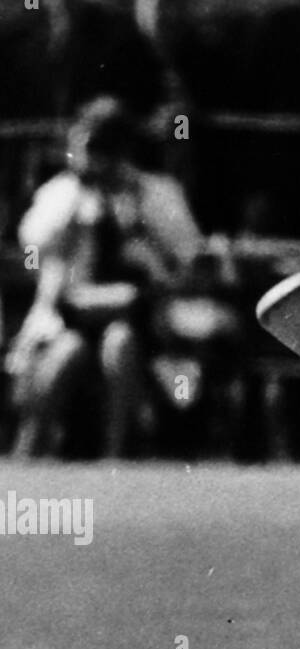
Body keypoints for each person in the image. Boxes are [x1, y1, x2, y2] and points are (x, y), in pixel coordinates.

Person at [8, 98, 202, 458]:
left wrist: (140, 226)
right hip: (69, 319)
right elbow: (32, 241)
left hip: (144, 325)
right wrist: (76, 208)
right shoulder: (63, 193)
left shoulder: (153, 191)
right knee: (68, 353)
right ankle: (28, 451)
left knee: (121, 343)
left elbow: (186, 251)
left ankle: (116, 452)